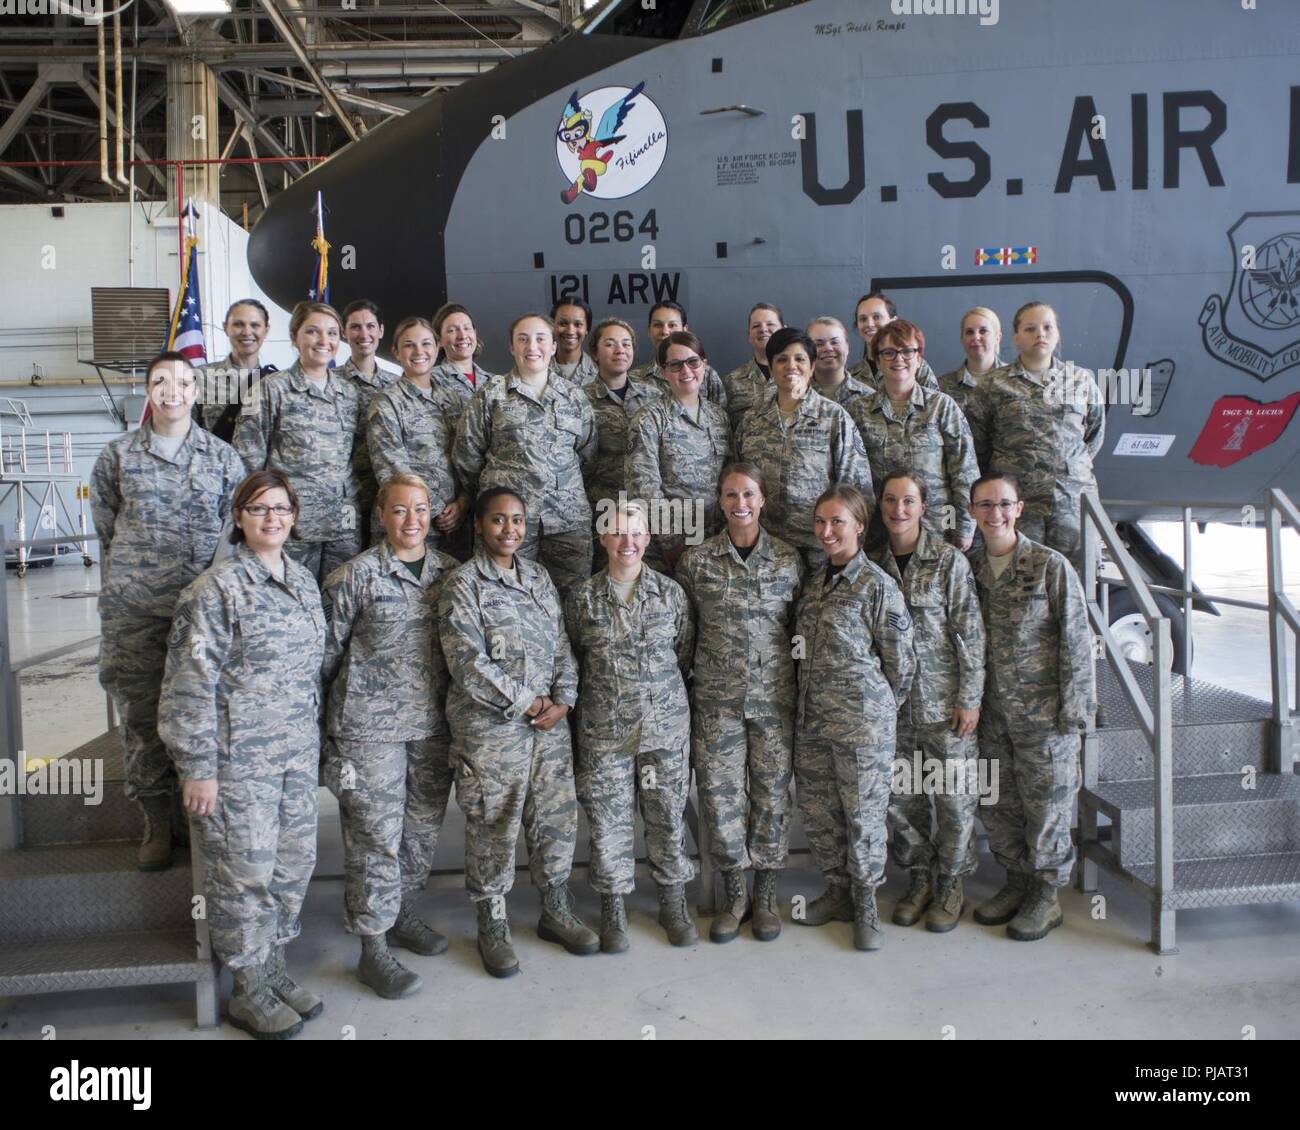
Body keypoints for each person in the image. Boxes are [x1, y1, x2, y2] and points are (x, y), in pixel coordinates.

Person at [158, 470, 326, 1039]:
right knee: (243, 874)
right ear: (239, 518)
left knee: (291, 864)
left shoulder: (303, 582)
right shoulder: (215, 590)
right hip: (237, 764)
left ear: (295, 516)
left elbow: (310, 677)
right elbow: (189, 684)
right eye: (259, 509)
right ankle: (248, 989)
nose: (272, 518)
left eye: (281, 508)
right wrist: (198, 768)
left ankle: (274, 968)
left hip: (295, 758)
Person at [92, 352, 246, 870]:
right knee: (140, 718)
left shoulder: (223, 459)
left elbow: (235, 536)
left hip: (200, 615)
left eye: (182, 382)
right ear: (149, 389)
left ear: (196, 390)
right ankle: (157, 820)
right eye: (161, 381)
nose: (172, 391)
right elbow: (108, 530)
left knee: (200, 715)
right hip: (134, 613)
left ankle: (194, 817)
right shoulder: (116, 458)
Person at [438, 488, 598, 977]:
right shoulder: (463, 583)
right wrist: (530, 702)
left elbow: (561, 646)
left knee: (555, 818)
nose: (510, 530)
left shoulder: (539, 577)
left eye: (518, 521)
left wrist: (565, 700)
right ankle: (493, 923)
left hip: (548, 727)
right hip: (492, 729)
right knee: (495, 825)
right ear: (479, 526)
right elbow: (468, 662)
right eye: (498, 521)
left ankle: (555, 909)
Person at [321, 473, 461, 999]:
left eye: (421, 510)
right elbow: (325, 662)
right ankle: (372, 946)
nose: (412, 521)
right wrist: (325, 741)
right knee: (374, 838)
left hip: (431, 726)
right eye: (400, 510)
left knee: (421, 830)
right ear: (381, 516)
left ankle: (403, 913)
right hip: (368, 730)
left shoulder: (452, 575)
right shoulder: (353, 579)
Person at [564, 501, 698, 952]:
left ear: (648, 538)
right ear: (602, 538)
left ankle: (672, 901)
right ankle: (613, 907)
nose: (628, 542)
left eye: (637, 533)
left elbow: (684, 652)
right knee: (608, 823)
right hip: (605, 734)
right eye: (618, 533)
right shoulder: (582, 599)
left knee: (666, 818)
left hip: (664, 729)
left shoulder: (671, 594)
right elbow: (576, 659)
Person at [677, 463, 803, 944]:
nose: (739, 503)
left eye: (748, 493)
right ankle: (735, 894)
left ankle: (767, 894)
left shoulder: (788, 560)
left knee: (771, 796)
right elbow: (686, 635)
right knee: (720, 797)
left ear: (763, 498)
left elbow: (799, 632)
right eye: (730, 495)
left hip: (774, 699)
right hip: (716, 700)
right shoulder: (698, 562)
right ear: (720, 501)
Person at [967, 472, 1095, 941]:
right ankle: (1015, 879)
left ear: (1019, 508)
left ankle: (1046, 893)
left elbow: (1077, 642)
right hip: (992, 711)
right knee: (998, 802)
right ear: (972, 511)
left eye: (1003, 504)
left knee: (1047, 805)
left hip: (1044, 714)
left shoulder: (1049, 566)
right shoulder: (971, 569)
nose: (994, 513)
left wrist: (1075, 712)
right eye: (984, 505)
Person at [792, 486, 915, 951]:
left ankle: (866, 904)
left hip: (862, 727)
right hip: (814, 722)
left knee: (863, 817)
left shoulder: (877, 586)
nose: (826, 532)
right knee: (821, 813)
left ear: (860, 526)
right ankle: (838, 892)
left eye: (837, 522)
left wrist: (878, 712)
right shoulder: (814, 583)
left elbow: (901, 665)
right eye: (820, 523)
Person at [866, 471, 985, 932]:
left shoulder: (947, 562)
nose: (899, 510)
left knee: (954, 799)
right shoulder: (872, 563)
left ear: (923, 508)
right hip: (893, 708)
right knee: (903, 800)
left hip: (943, 706)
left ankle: (951, 882)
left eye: (908, 501)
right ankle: (918, 878)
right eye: (891, 501)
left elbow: (969, 633)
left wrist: (970, 698)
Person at [452, 313, 598, 598]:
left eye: (541, 338)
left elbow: (588, 455)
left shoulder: (575, 397)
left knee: (572, 598)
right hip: (509, 522)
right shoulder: (490, 395)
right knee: (504, 596)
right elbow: (468, 456)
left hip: (568, 521)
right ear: (511, 347)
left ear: (554, 346)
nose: (533, 346)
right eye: (523, 339)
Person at [965, 301, 1105, 574]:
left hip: (1072, 506)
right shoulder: (993, 385)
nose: (1040, 334)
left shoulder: (1081, 380)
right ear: (1016, 337)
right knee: (1018, 583)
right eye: (1030, 329)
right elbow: (978, 445)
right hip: (1017, 510)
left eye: (1047, 327)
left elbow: (1094, 436)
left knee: (1077, 586)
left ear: (1057, 334)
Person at [233, 300, 364, 582]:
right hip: (289, 522)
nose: (323, 340)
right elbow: (248, 459)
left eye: (331, 333)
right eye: (312, 331)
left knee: (339, 603)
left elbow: (358, 458)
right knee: (288, 601)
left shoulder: (349, 393)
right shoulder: (272, 389)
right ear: (295, 337)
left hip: (343, 522)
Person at [735, 326, 873, 573]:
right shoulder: (752, 420)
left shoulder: (834, 418)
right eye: (781, 359)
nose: (791, 366)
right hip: (765, 552)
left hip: (820, 549)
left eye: (800, 359)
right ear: (771, 367)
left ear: (811, 366)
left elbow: (856, 489)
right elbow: (737, 484)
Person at [849, 319, 979, 550]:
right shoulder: (859, 410)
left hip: (939, 525)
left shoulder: (941, 407)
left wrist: (964, 527)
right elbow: (853, 478)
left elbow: (964, 471)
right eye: (889, 353)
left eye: (907, 351)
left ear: (919, 358)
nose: (899, 359)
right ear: (878, 361)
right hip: (880, 529)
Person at [625, 330, 731, 574]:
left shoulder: (719, 418)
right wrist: (671, 541)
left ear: (704, 364)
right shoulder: (648, 420)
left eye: (693, 362)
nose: (686, 371)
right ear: (664, 372)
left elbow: (730, 478)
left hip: (717, 540)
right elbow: (643, 487)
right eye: (675, 365)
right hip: (671, 547)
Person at [367, 316, 469, 552]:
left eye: (426, 343)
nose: (418, 351)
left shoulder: (452, 398)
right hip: (409, 525)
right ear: (396, 352)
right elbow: (391, 470)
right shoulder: (386, 404)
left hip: (455, 526)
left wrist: (463, 503)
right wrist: (434, 510)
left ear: (437, 347)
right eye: (409, 345)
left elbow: (468, 457)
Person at [580, 317, 662, 571]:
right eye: (610, 344)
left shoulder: (655, 395)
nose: (620, 350)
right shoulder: (579, 399)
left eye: (626, 344)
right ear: (594, 351)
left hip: (648, 512)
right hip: (603, 509)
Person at [339, 299, 399, 540]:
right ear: (344, 333)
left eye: (370, 326)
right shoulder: (332, 383)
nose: (364, 334)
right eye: (355, 327)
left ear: (381, 330)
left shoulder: (396, 385)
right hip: (345, 497)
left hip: (384, 494)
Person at [196, 299, 277, 442]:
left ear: (266, 330)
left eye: (255, 325)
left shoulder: (276, 382)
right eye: (238, 324)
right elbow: (184, 433)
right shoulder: (200, 377)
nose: (246, 332)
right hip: (214, 463)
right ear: (225, 328)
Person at [630, 301, 728, 407]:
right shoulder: (635, 378)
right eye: (658, 325)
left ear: (684, 329)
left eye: (672, 325)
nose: (665, 332)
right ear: (649, 330)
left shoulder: (706, 374)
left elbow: (720, 418)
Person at [850, 292, 938, 389]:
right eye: (863, 319)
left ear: (894, 321)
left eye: (876, 317)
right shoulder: (851, 376)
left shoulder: (914, 366)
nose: (869, 324)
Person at [938, 306, 1004, 429]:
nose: (976, 337)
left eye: (983, 331)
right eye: (969, 332)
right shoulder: (943, 387)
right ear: (962, 339)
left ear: (997, 337)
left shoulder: (1015, 381)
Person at [722, 302, 783, 429]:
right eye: (756, 326)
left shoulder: (798, 376)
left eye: (770, 324)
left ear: (783, 330)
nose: (763, 329)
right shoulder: (732, 381)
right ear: (749, 335)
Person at [430, 303, 495, 408]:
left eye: (467, 328)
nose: (463, 336)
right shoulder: (430, 381)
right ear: (439, 340)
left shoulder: (494, 382)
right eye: (452, 330)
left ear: (475, 333)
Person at [550, 298, 599, 385]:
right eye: (563, 323)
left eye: (577, 324)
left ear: (586, 329)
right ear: (552, 326)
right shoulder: (539, 369)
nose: (570, 331)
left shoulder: (600, 371)